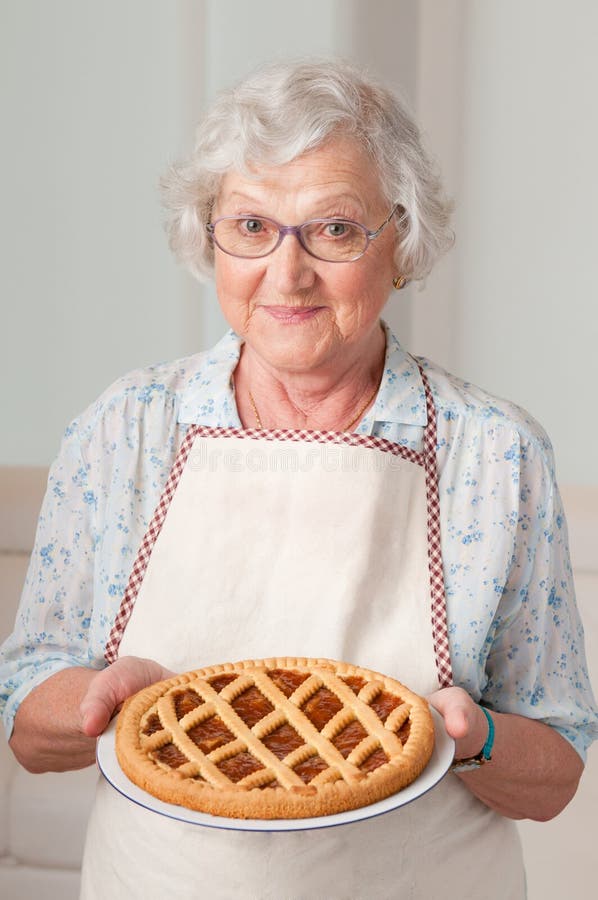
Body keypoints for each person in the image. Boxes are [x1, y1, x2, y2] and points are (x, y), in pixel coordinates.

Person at [1, 58, 596, 899]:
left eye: (334, 229)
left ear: (403, 241)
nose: (287, 274)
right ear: (206, 237)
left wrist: (474, 736)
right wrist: (101, 698)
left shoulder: (494, 454)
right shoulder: (125, 429)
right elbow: (28, 722)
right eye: (249, 227)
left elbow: (557, 768)